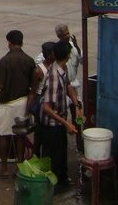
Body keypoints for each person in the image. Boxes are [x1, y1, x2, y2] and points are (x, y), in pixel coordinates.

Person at [39, 39, 82, 192]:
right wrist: (66, 123)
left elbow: (69, 85)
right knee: (54, 157)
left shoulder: (62, 70)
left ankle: (62, 180)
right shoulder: (54, 77)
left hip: (60, 121)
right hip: (51, 125)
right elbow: (46, 107)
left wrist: (76, 106)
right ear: (68, 56)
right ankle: (53, 187)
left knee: (62, 153)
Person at [0, 29, 36, 178]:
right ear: (21, 42)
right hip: (23, 102)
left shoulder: (4, 61)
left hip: (7, 102)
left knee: (4, 135)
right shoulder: (29, 60)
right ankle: (19, 166)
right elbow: (33, 82)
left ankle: (4, 168)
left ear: (9, 43)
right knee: (20, 136)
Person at [30, 41, 55, 157]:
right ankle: (37, 158)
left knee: (46, 134)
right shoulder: (38, 71)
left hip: (52, 100)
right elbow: (33, 91)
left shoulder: (57, 66)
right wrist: (28, 109)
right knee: (40, 133)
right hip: (41, 101)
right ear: (49, 55)